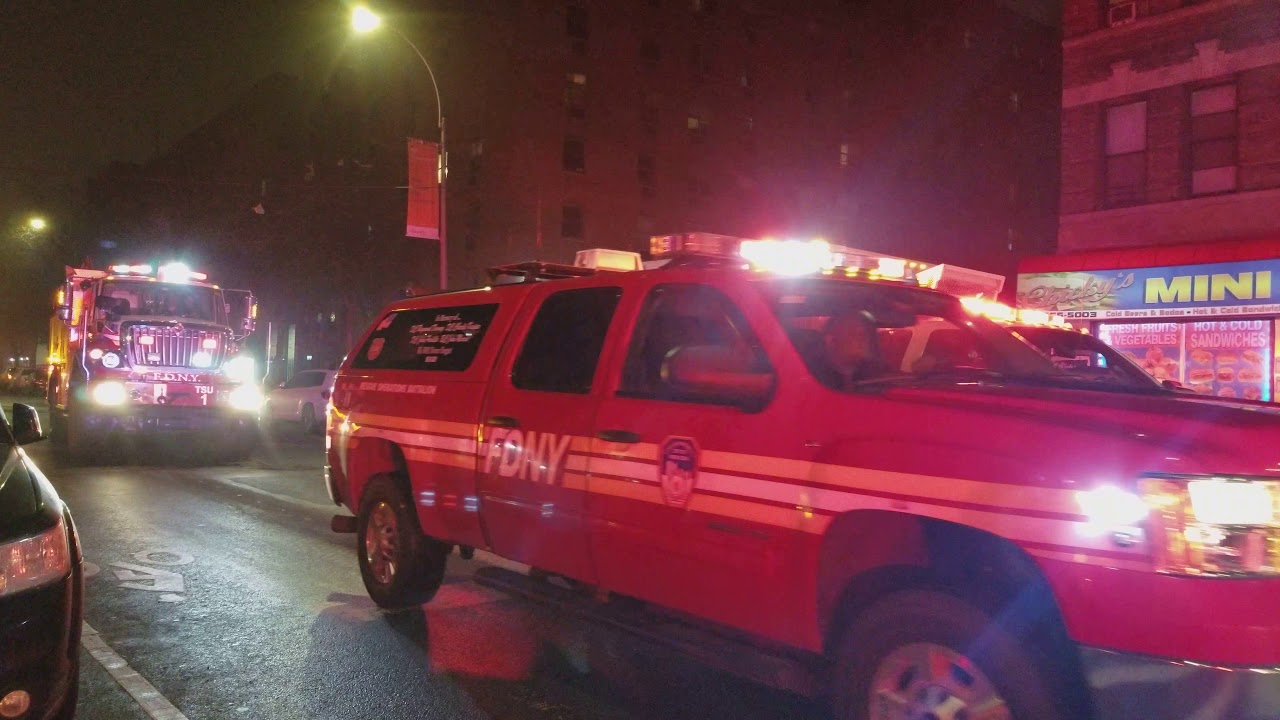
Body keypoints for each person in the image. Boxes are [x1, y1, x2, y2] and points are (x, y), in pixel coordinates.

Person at [816, 308, 889, 389]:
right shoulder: (817, 379)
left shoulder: (875, 375)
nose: (864, 338)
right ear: (831, 340)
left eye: (865, 333)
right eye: (854, 333)